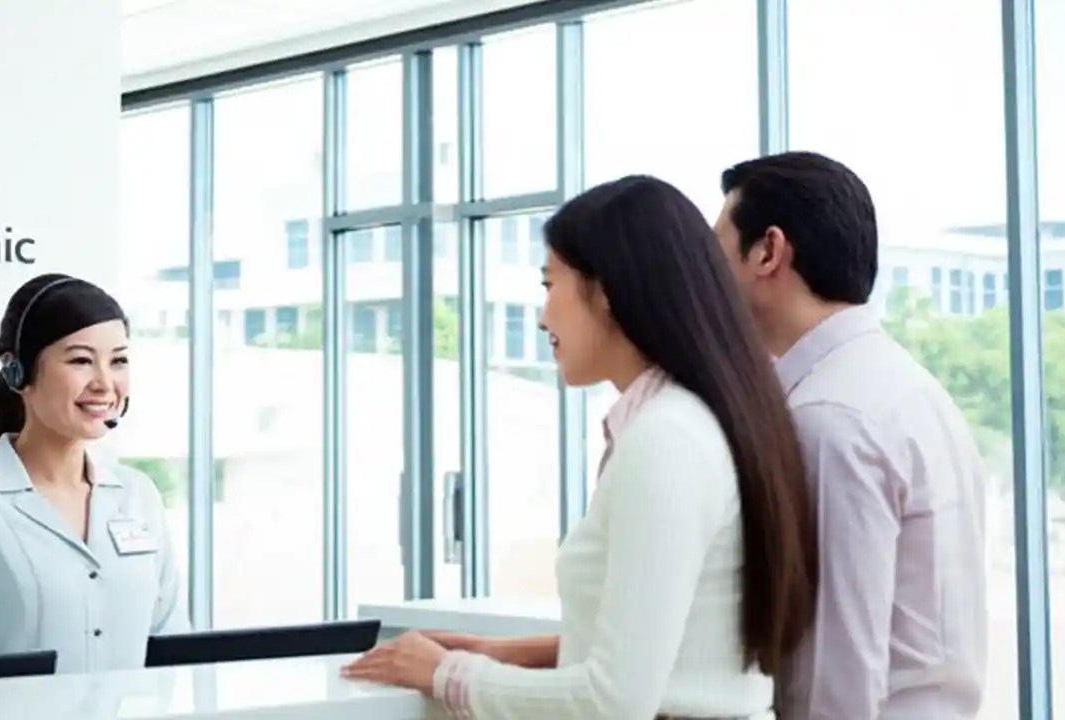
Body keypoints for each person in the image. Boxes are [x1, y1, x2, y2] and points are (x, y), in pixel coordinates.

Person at [342, 175, 819, 719]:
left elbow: (613, 701)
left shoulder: (668, 439)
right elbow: (681, 650)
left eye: (550, 286)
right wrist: (509, 656)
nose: (544, 316)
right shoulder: (694, 423)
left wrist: (446, 673)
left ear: (607, 291)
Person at [712, 151, 988, 719]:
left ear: (768, 251)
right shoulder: (905, 387)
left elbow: (832, 672)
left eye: (717, 255)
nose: (709, 283)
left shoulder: (829, 419)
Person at [0, 273, 188, 674]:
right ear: (17, 373)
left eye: (119, 360)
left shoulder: (139, 495)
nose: (105, 384)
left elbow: (173, 652)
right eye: (80, 361)